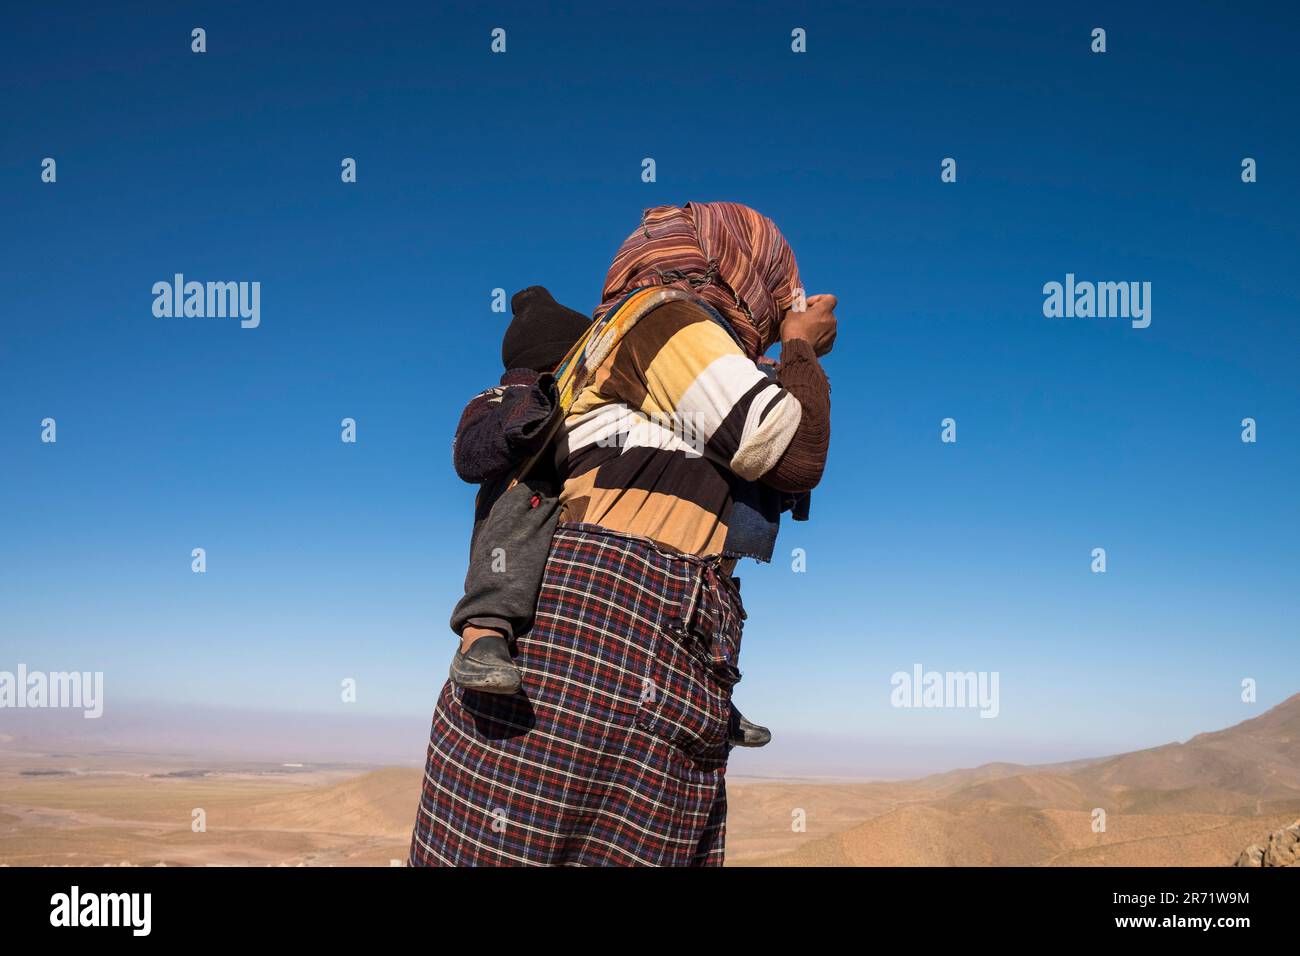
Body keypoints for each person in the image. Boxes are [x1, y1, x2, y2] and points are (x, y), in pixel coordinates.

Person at [410, 201, 835, 866]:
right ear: (737, 263)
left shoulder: (634, 351)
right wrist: (802, 344)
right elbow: (788, 451)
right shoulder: (661, 316)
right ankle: (483, 632)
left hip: (640, 661)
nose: (783, 294)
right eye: (776, 277)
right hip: (607, 649)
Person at [445, 285, 774, 746]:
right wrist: (534, 401)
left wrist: (744, 381)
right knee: (522, 503)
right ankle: (482, 634)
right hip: (525, 507)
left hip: (581, 516)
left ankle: (704, 687)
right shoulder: (502, 396)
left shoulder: (609, 401)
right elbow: (470, 457)